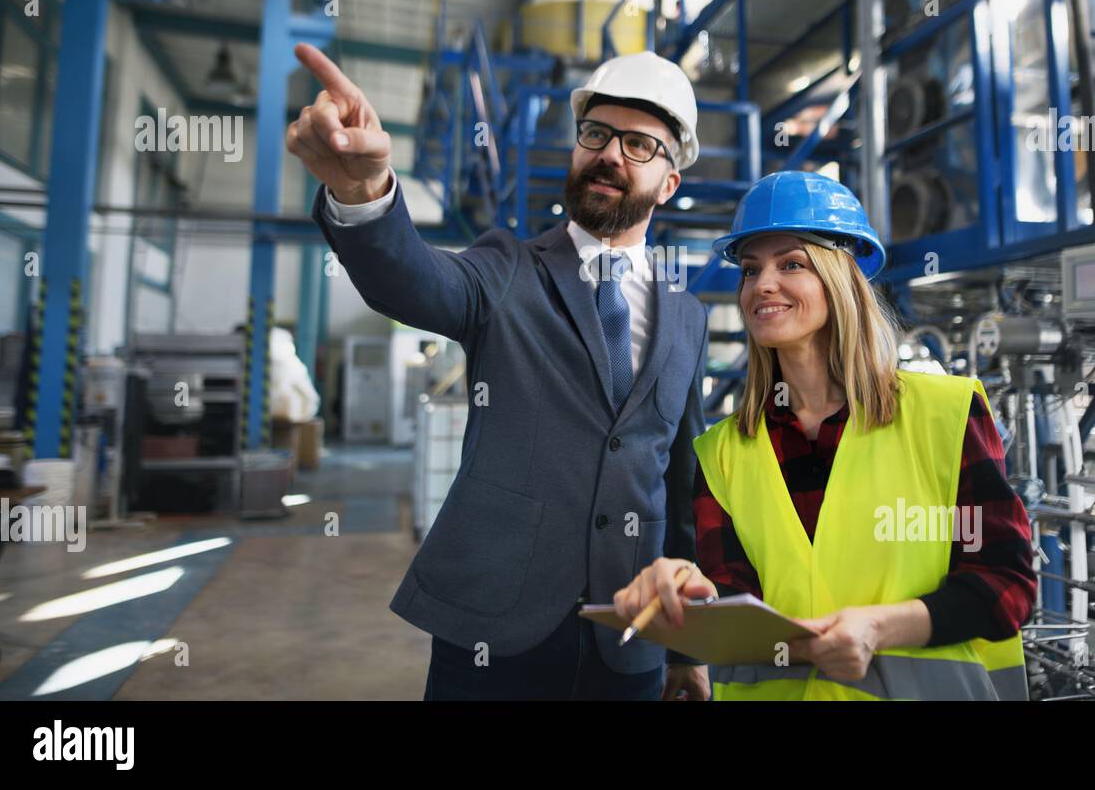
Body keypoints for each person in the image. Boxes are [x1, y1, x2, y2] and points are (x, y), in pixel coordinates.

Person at [288, 45, 711, 700]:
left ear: (670, 182)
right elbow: (414, 282)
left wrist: (686, 646)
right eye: (596, 134)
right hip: (494, 631)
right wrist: (362, 190)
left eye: (639, 144)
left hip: (632, 635)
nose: (609, 154)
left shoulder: (686, 317)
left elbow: (680, 483)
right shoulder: (507, 267)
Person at [613, 171, 1037, 700]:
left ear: (841, 278)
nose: (762, 284)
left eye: (791, 263)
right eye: (750, 270)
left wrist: (881, 626)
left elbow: (1006, 584)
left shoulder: (946, 416)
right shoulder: (721, 453)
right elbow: (739, 599)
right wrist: (689, 594)